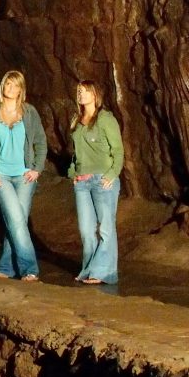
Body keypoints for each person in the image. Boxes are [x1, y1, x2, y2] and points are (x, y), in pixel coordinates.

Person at [0, 70, 47, 281]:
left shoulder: (29, 112)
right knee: (16, 220)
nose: (11, 89)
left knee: (16, 221)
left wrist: (37, 168)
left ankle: (6, 267)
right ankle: (30, 269)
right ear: (3, 87)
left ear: (21, 89)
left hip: (25, 175)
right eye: (8, 84)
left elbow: (41, 142)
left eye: (16, 85)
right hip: (2, 176)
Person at [68, 80, 124, 285]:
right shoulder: (77, 120)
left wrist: (112, 174)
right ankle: (89, 270)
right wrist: (73, 172)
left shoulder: (105, 119)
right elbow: (76, 153)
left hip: (102, 180)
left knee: (106, 228)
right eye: (79, 91)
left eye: (86, 91)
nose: (81, 94)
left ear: (95, 94)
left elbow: (118, 150)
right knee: (86, 230)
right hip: (82, 182)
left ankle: (103, 273)